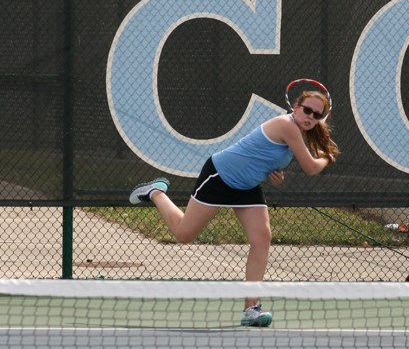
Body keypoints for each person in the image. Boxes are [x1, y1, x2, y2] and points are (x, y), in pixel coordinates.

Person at [129, 84, 339, 327]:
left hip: (247, 187)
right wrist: (325, 157)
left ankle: (251, 309)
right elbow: (312, 167)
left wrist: (276, 176)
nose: (311, 117)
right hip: (220, 176)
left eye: (317, 114)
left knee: (262, 239)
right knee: (183, 235)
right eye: (307, 110)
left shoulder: (298, 134)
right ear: (296, 107)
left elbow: (266, 160)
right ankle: (155, 192)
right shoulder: (287, 126)